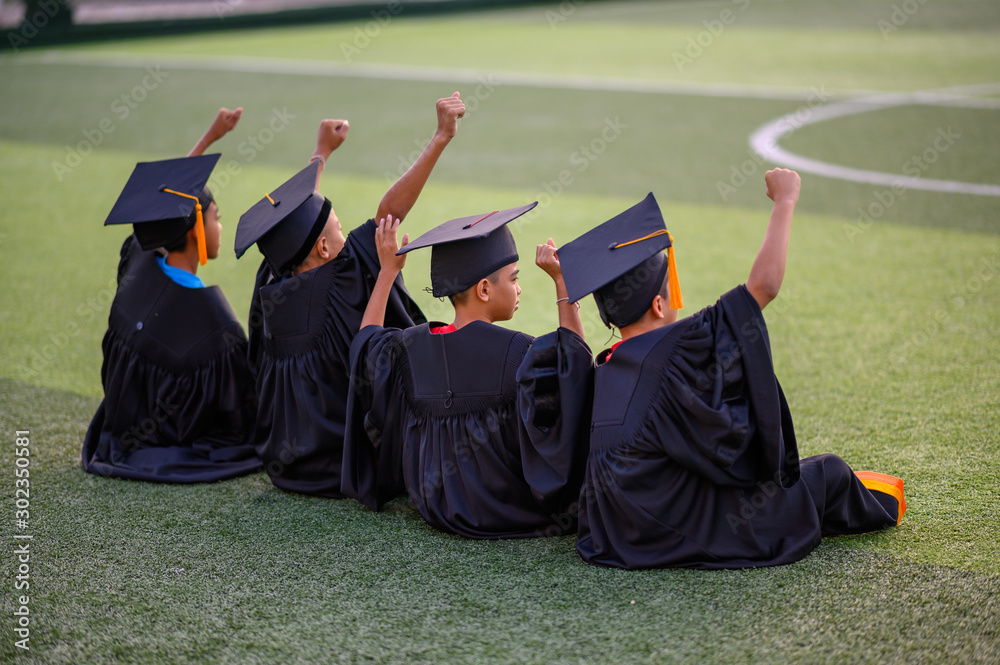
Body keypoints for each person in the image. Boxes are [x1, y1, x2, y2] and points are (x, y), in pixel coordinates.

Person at [555, 169, 905, 569]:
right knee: (828, 473)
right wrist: (784, 201)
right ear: (656, 305)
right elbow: (763, 288)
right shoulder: (678, 348)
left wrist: (563, 288)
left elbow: (574, 354)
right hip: (672, 530)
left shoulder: (607, 366)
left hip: (615, 532)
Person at [234, 93, 464, 497]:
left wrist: (319, 156)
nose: (346, 234)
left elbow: (298, 225)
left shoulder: (272, 284)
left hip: (289, 465)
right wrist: (441, 137)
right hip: (342, 465)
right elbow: (388, 214)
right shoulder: (343, 278)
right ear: (324, 250)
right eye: (339, 228)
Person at [342, 204, 594, 538]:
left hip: (434, 506)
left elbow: (367, 342)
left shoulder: (410, 349)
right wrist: (563, 286)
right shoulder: (519, 351)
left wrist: (388, 271)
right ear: (484, 289)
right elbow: (575, 372)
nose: (519, 289)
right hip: (505, 511)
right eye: (514, 278)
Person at [83, 108, 262, 483]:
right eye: (216, 216)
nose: (220, 225)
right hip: (168, 434)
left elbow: (163, 209)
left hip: (122, 419)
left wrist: (208, 139)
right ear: (196, 226)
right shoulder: (214, 320)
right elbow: (240, 413)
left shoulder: (139, 261)